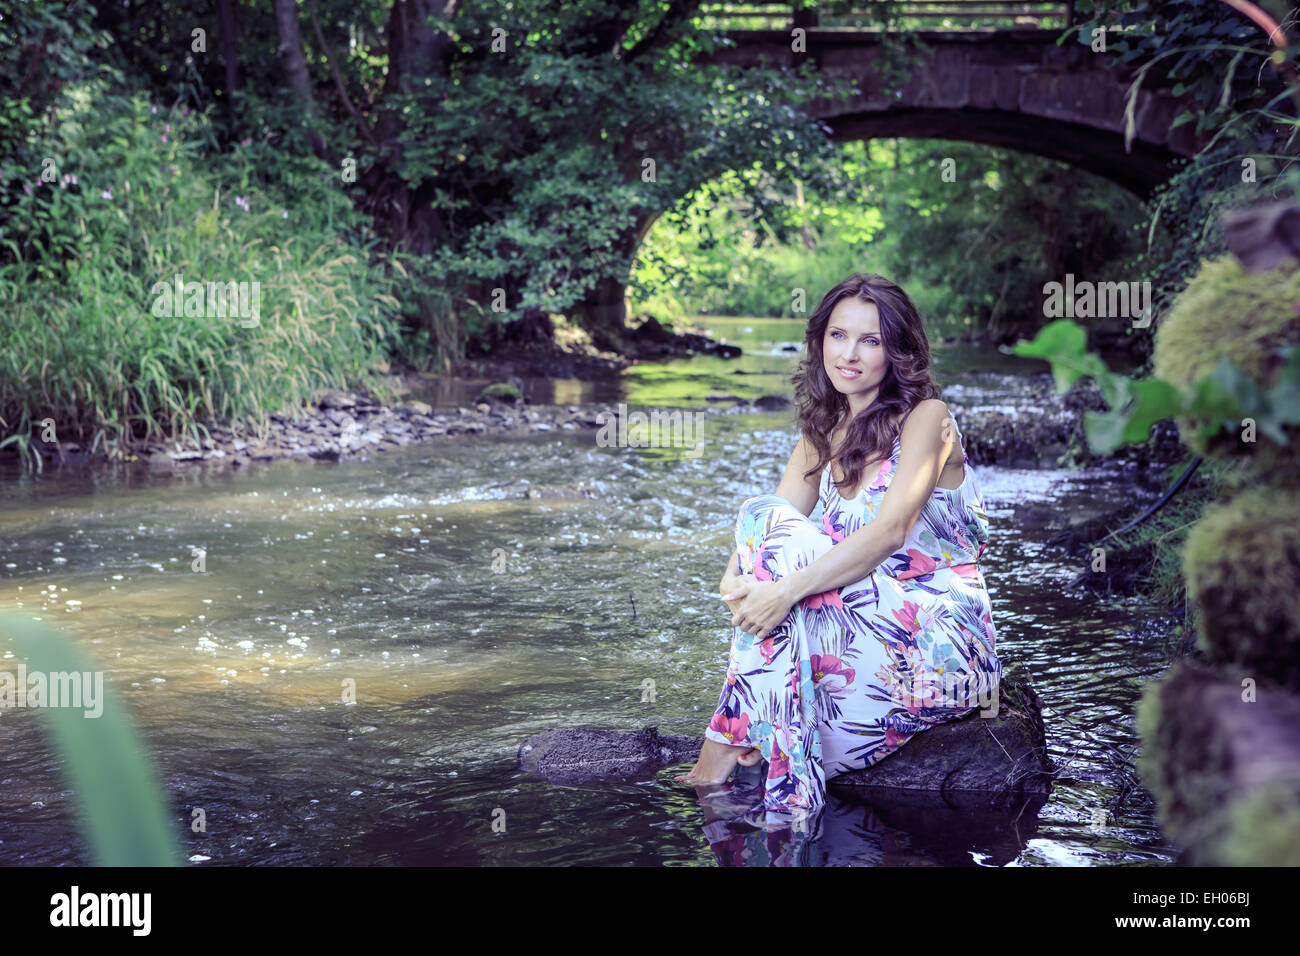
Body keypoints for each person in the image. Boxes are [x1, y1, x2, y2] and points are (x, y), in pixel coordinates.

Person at [675, 273, 1002, 814]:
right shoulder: (821, 431)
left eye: (870, 341)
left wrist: (780, 593)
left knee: (792, 560)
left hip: (939, 639)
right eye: (837, 335)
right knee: (767, 517)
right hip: (855, 641)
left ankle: (720, 755)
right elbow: (769, 523)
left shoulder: (929, 419)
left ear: (898, 350)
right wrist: (732, 577)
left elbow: (889, 531)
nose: (849, 354)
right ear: (820, 341)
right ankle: (762, 762)